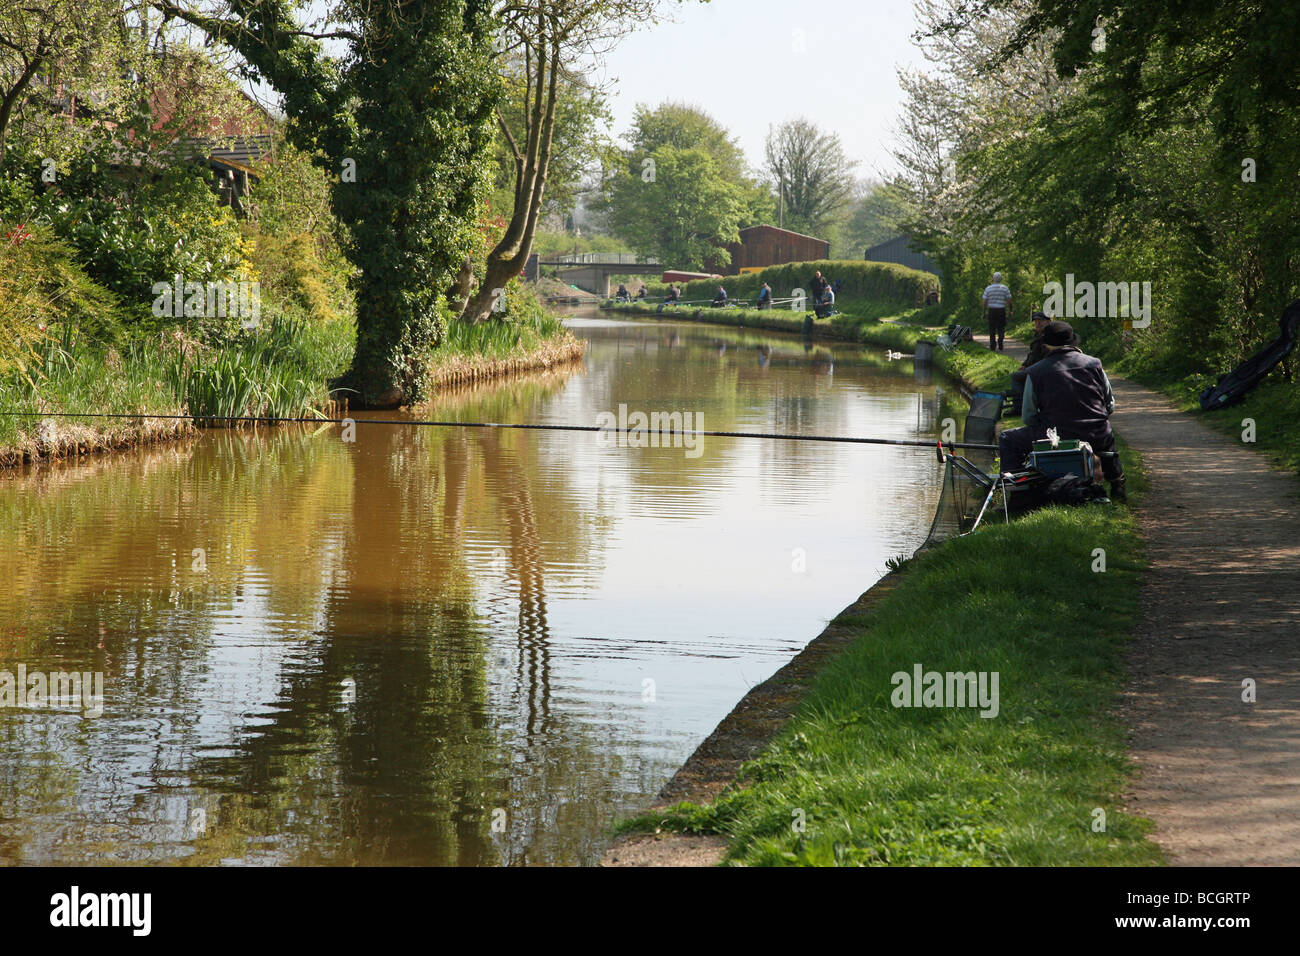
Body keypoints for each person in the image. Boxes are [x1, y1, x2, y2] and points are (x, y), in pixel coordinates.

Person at [998, 320, 1127, 502]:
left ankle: (1018, 493)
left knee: (1007, 438)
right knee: (1105, 434)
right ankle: (1118, 485)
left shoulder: (1035, 372)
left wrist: (1046, 427)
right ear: (1073, 341)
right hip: (1097, 433)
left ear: (1046, 344)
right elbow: (1109, 404)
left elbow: (1028, 416)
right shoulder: (1094, 364)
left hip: (1058, 435)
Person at [982, 271, 1012, 351]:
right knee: (1001, 327)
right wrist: (1010, 310)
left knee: (992, 328)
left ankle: (992, 345)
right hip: (1001, 310)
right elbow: (1009, 300)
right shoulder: (1005, 288)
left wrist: (984, 312)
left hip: (992, 310)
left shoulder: (988, 289)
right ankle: (1000, 342)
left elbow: (985, 302)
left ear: (993, 279)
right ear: (1001, 279)